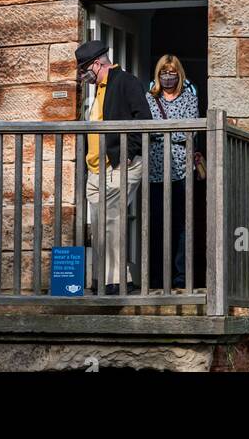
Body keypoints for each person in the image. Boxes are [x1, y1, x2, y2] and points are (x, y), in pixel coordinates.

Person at [76, 38, 150, 295]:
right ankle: (105, 278)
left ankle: (116, 281)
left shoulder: (126, 82)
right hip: (96, 171)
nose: (84, 77)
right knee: (99, 225)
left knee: (112, 219)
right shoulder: (98, 90)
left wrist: (128, 154)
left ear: (97, 64)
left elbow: (144, 120)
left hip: (120, 166)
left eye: (85, 71)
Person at [146, 54, 200, 291]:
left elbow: (190, 133)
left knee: (182, 223)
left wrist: (163, 132)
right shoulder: (150, 98)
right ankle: (156, 277)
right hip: (155, 169)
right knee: (156, 223)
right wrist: (168, 132)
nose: (167, 77)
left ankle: (181, 277)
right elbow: (146, 129)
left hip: (182, 168)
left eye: (171, 73)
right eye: (163, 73)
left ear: (179, 74)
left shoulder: (189, 99)